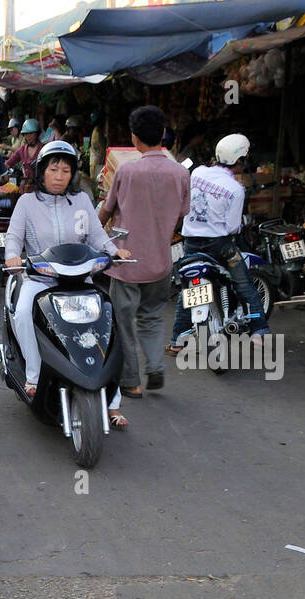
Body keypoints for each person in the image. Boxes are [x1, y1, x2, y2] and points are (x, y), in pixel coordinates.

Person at [4, 140, 133, 427]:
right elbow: (14, 236)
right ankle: (33, 374)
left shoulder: (82, 201)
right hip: (41, 280)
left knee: (108, 325)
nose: (60, 176)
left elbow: (98, 235)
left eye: (66, 170)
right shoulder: (26, 202)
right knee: (23, 312)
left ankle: (113, 402)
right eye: (54, 169)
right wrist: (13, 256)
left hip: (81, 281)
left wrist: (114, 251)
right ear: (41, 172)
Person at [97, 105, 191, 398]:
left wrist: (93, 234)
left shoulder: (126, 171)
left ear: (134, 138)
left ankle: (131, 382)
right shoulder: (180, 173)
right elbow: (180, 217)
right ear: (163, 134)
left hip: (127, 263)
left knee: (123, 324)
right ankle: (156, 367)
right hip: (161, 262)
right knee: (150, 317)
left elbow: (107, 210)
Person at [169, 132, 268, 349]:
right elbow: (232, 227)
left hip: (191, 243)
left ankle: (177, 340)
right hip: (220, 247)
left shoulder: (197, 174)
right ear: (240, 160)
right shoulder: (235, 189)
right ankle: (258, 330)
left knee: (190, 289)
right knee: (243, 282)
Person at [6, 118, 42, 190]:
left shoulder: (44, 148)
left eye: (31, 133)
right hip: (26, 187)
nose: (28, 136)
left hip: (40, 187)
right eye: (25, 134)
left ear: (37, 133)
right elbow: (8, 163)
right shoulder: (22, 150)